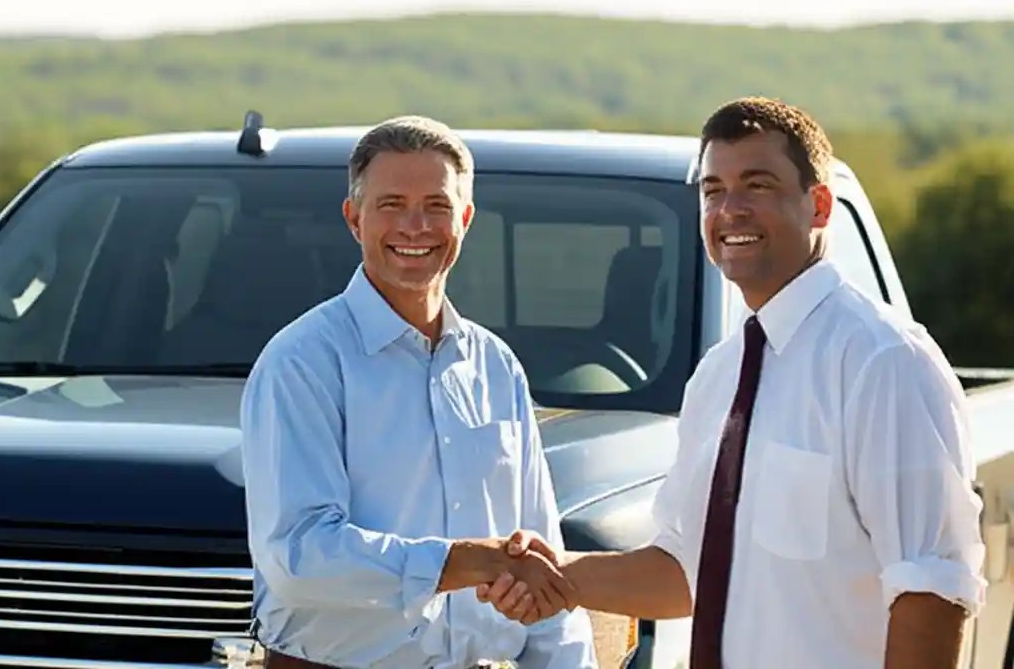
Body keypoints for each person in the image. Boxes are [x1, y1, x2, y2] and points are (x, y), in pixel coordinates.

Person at [475, 97, 986, 668]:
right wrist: (555, 574)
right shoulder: (718, 376)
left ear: (819, 206)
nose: (730, 209)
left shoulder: (883, 362)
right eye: (713, 190)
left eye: (757, 186)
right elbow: (682, 572)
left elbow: (931, 586)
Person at [240, 115, 598, 669]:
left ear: (465, 219)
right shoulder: (302, 363)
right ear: (353, 218)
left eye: (436, 205)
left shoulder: (496, 367)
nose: (415, 226)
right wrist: (460, 562)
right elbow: (298, 556)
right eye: (392, 204)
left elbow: (544, 567)